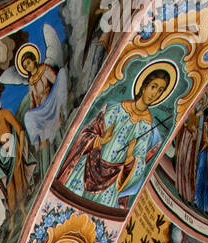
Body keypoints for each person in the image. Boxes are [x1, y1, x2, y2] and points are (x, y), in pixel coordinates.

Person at [58, 65, 175, 211]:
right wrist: (100, 140)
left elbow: (140, 165)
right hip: (88, 168)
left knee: (93, 220)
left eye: (160, 91)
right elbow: (88, 132)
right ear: (144, 86)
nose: (155, 93)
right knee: (62, 210)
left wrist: (130, 157)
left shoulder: (147, 126)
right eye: (154, 86)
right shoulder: (118, 109)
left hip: (110, 183)